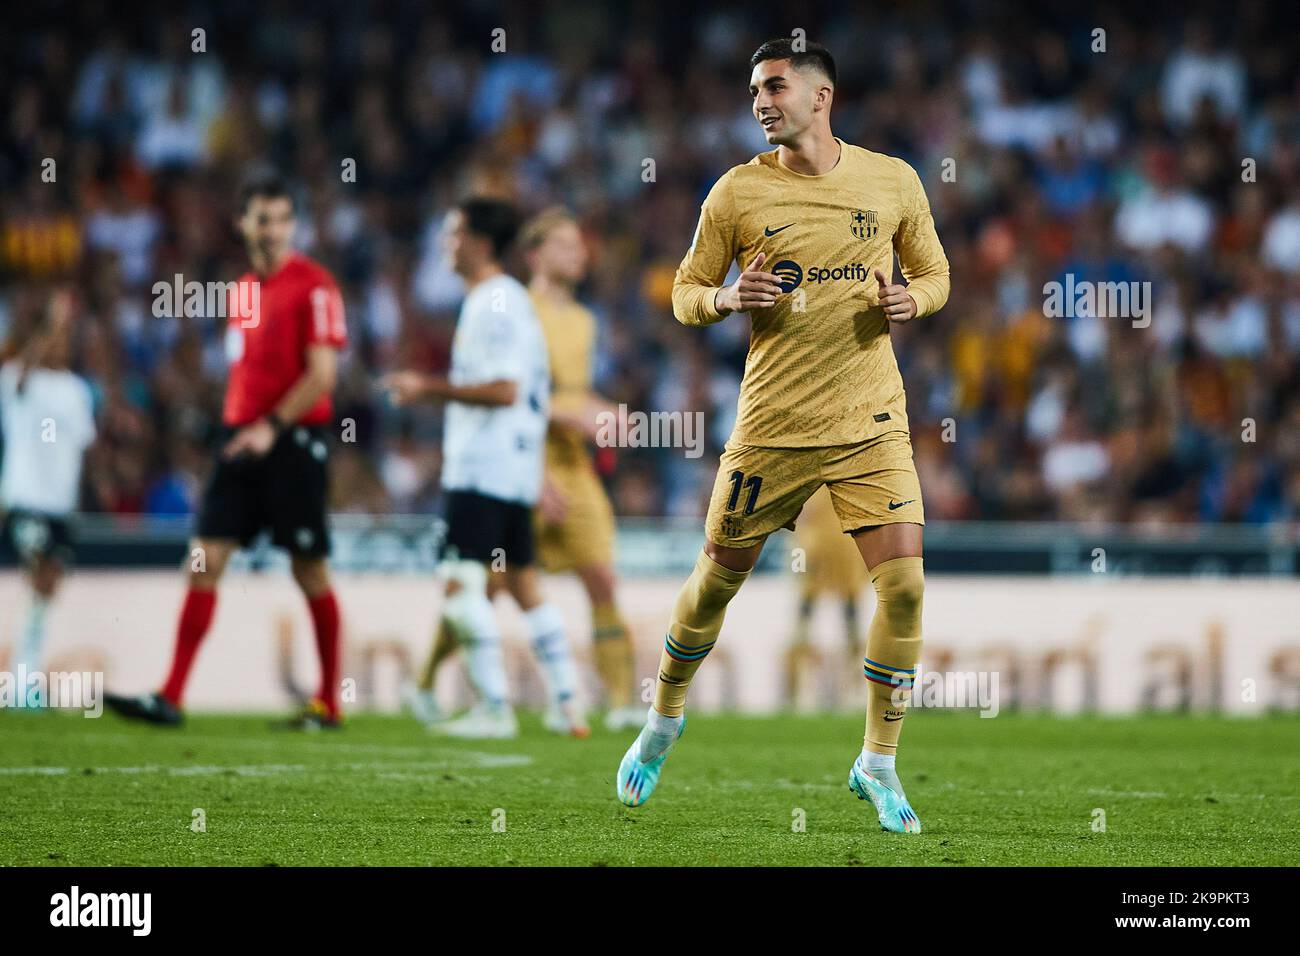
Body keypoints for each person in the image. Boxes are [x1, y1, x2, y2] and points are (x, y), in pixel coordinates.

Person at [614, 39, 949, 834]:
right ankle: (663, 719)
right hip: (773, 426)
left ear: (820, 96)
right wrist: (727, 299)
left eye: (774, 87)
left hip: (870, 421)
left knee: (904, 587)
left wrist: (915, 302)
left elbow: (936, 274)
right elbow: (684, 291)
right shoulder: (737, 192)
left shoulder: (893, 180)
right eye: (754, 90)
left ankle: (878, 762)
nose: (761, 102)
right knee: (715, 584)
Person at [104, 171, 347, 728]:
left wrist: (271, 426)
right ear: (242, 224)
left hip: (292, 442)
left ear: (294, 225)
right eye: (263, 219)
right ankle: (170, 696)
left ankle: (329, 703)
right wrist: (227, 423)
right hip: (240, 444)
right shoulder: (241, 292)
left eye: (283, 219)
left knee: (310, 569)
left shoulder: (315, 285)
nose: (273, 230)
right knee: (204, 560)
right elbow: (247, 370)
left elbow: (323, 375)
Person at [385, 198, 586, 739]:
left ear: (479, 242)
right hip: (511, 463)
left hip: (484, 465)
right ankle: (568, 702)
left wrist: (426, 387)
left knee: (460, 584)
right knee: (522, 582)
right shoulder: (506, 300)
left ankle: (494, 708)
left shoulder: (494, 301)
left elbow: (505, 390)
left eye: (454, 233)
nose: (446, 244)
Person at [0, 289, 96, 706]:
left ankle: (24, 678)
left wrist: (81, 499)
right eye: (54, 337)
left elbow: (81, 449)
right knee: (40, 576)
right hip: (26, 500)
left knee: (46, 589)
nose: (59, 343)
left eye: (64, 337)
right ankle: (22, 682)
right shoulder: (17, 378)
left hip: (60, 506)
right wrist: (52, 323)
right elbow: (21, 378)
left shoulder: (77, 390)